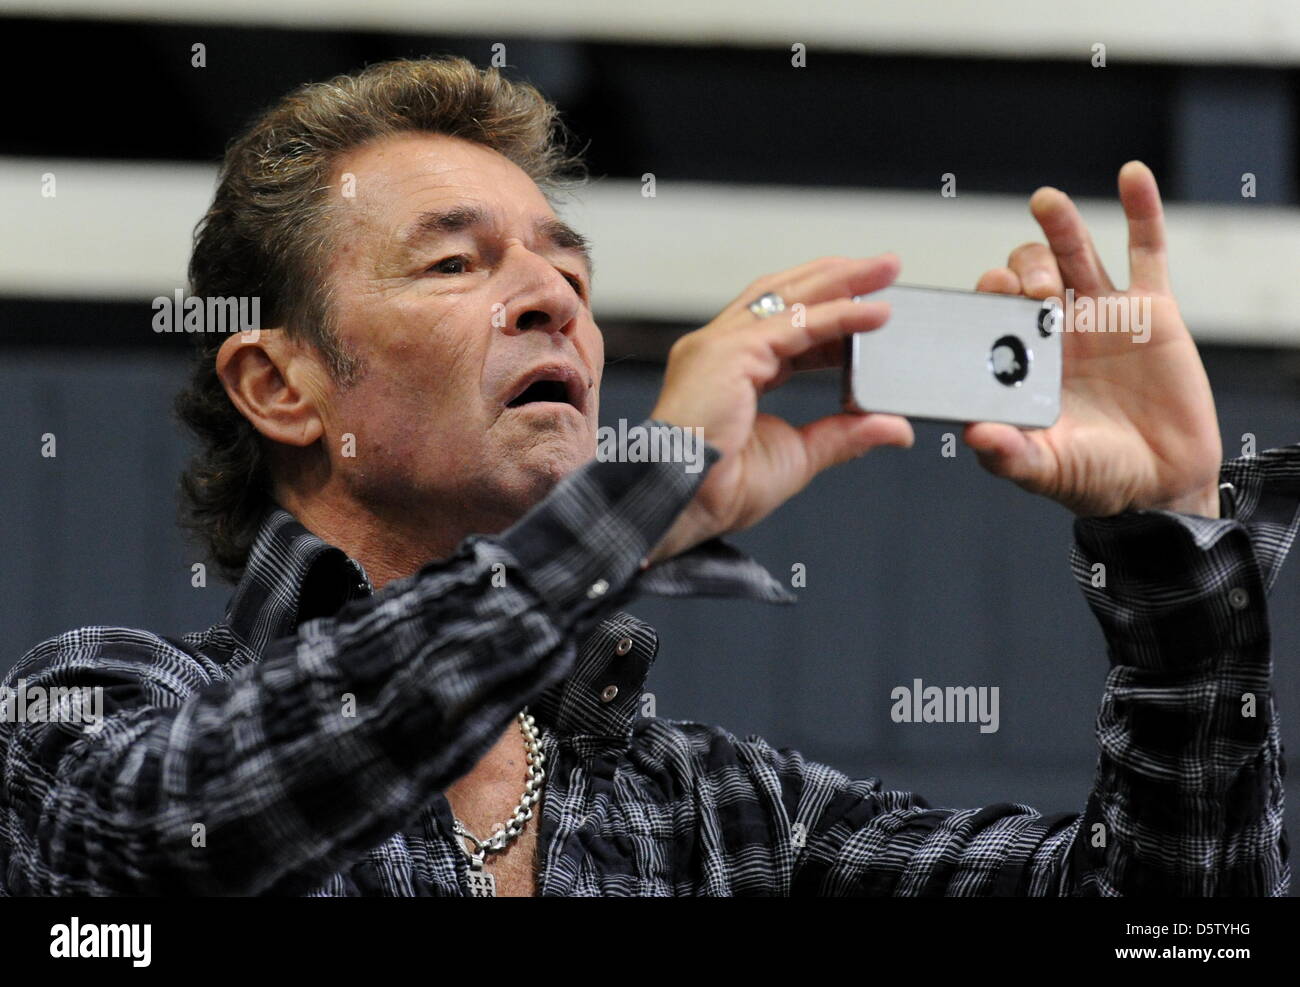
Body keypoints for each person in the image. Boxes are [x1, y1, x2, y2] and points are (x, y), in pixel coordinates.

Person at [1, 57, 1295, 897]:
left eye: (569, 271)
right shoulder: (99, 705)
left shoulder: (727, 817)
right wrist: (634, 501)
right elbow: (163, 837)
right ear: (280, 386)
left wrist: (1171, 552)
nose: (550, 302)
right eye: (456, 265)